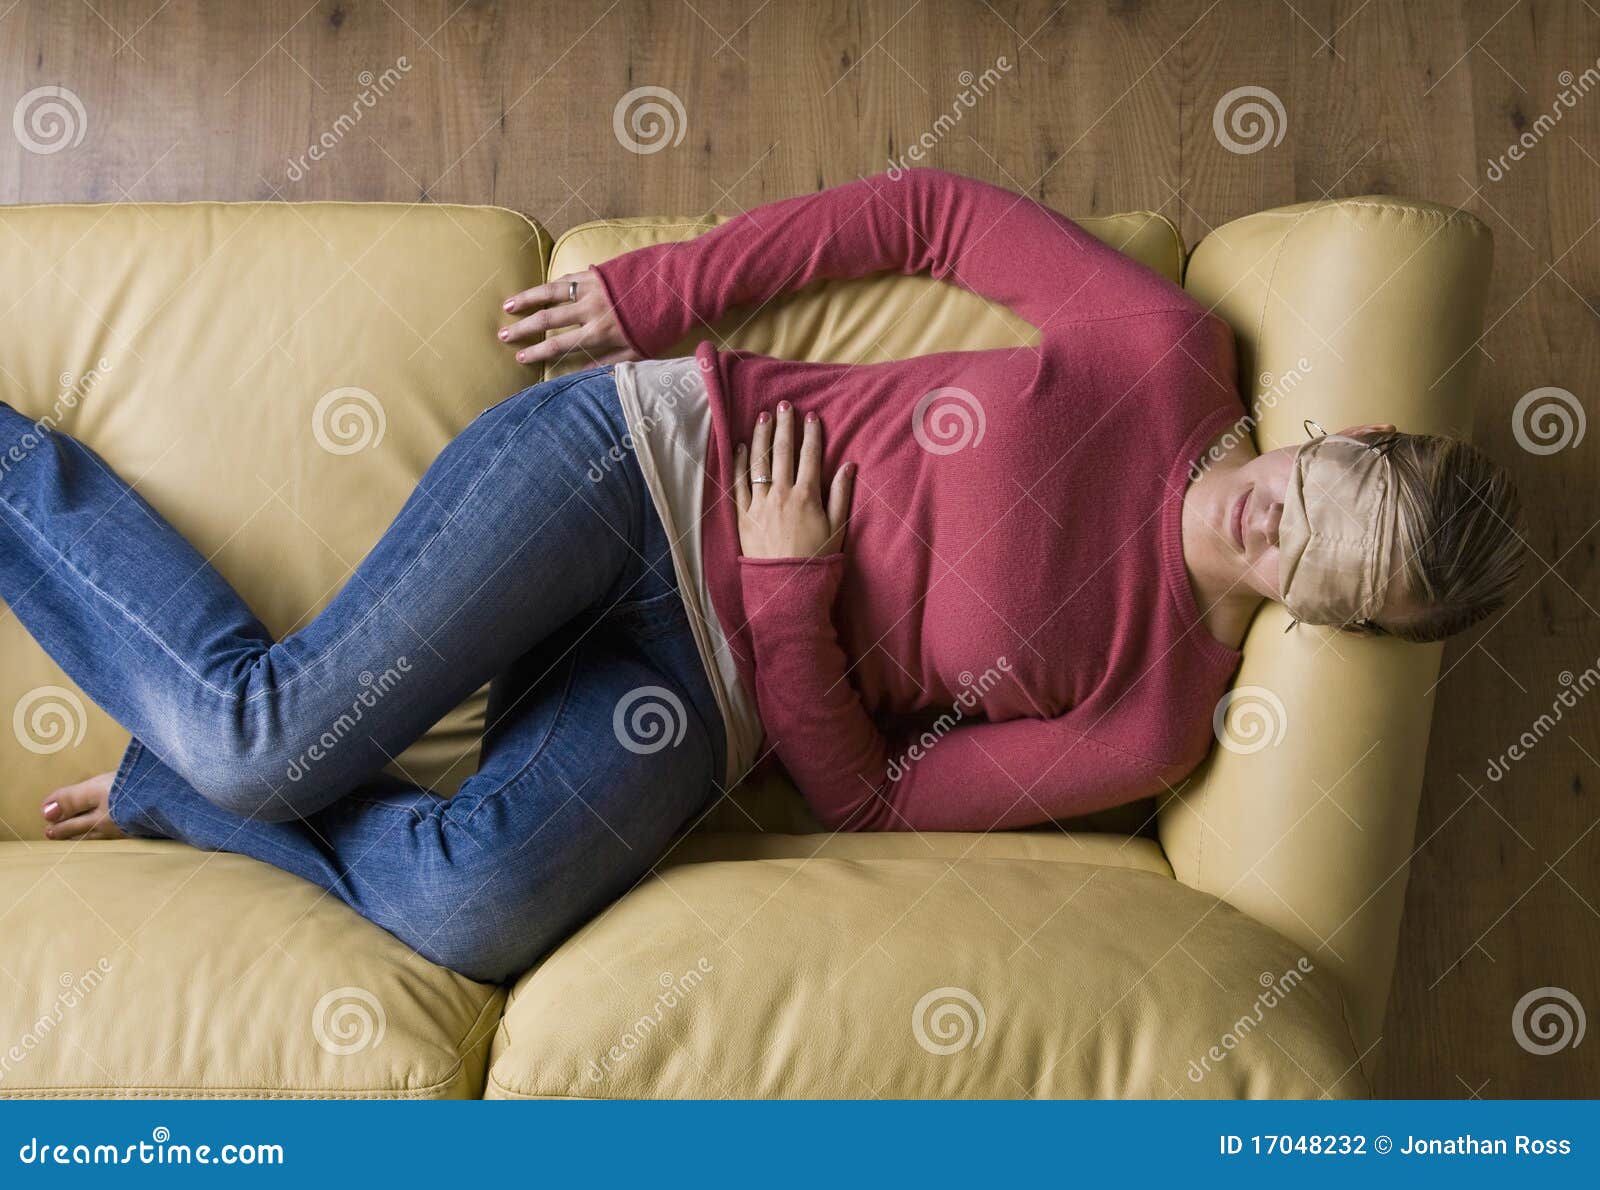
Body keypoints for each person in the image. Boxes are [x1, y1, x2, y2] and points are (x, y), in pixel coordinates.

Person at [15, 169, 1523, 981]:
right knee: (264, 739)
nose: (1274, 531)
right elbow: (932, 213)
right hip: (642, 466)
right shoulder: (1171, 357)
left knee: (472, 916)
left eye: (1323, 574)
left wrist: (794, 596)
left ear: (1333, 622)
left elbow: (868, 799)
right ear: (1348, 435)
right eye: (1317, 495)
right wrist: (661, 292)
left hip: (703, 692)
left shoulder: (1156, 719)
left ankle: (173, 795)